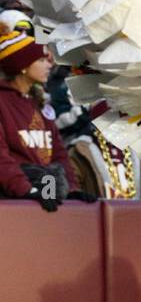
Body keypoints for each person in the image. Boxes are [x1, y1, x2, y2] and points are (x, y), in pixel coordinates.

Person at [0, 30, 96, 210]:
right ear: (22, 66)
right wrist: (26, 190)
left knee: (49, 229)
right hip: (12, 200)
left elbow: (57, 153)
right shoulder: (3, 102)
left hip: (43, 190)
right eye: (41, 60)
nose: (49, 65)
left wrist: (70, 189)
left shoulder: (40, 102)